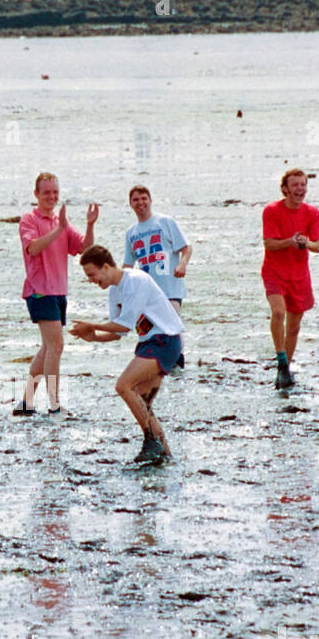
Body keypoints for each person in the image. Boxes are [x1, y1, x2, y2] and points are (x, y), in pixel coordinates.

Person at [69, 245, 184, 465]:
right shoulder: (114, 290)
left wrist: (92, 325)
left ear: (105, 267)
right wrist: (93, 337)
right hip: (147, 343)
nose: (91, 281)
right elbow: (118, 333)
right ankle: (164, 455)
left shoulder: (135, 280)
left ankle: (152, 443)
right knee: (142, 402)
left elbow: (124, 324)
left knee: (123, 386)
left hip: (165, 340)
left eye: (92, 275)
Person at [16, 172, 98, 416]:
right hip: (39, 291)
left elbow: (86, 248)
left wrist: (90, 224)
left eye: (55, 192)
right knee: (56, 345)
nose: (51, 197)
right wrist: (58, 229)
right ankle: (54, 405)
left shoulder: (61, 222)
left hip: (59, 291)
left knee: (48, 349)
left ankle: (26, 403)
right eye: (46, 192)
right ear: (37, 195)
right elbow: (33, 248)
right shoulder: (29, 219)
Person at [261, 168, 319, 389]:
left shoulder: (312, 213)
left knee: (294, 327)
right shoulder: (271, 211)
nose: (300, 189)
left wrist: (306, 243)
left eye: (303, 185)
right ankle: (281, 360)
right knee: (278, 312)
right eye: (295, 185)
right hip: (274, 272)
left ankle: (284, 369)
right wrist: (290, 241)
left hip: (299, 275)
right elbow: (269, 243)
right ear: (285, 189)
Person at [122, 185, 193, 316]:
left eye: (144, 198)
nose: (140, 203)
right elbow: (127, 266)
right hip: (145, 295)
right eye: (136, 200)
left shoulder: (165, 221)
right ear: (130, 204)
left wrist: (182, 264)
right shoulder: (130, 232)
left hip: (169, 292)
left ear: (150, 200)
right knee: (149, 336)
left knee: (170, 333)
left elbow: (186, 247)